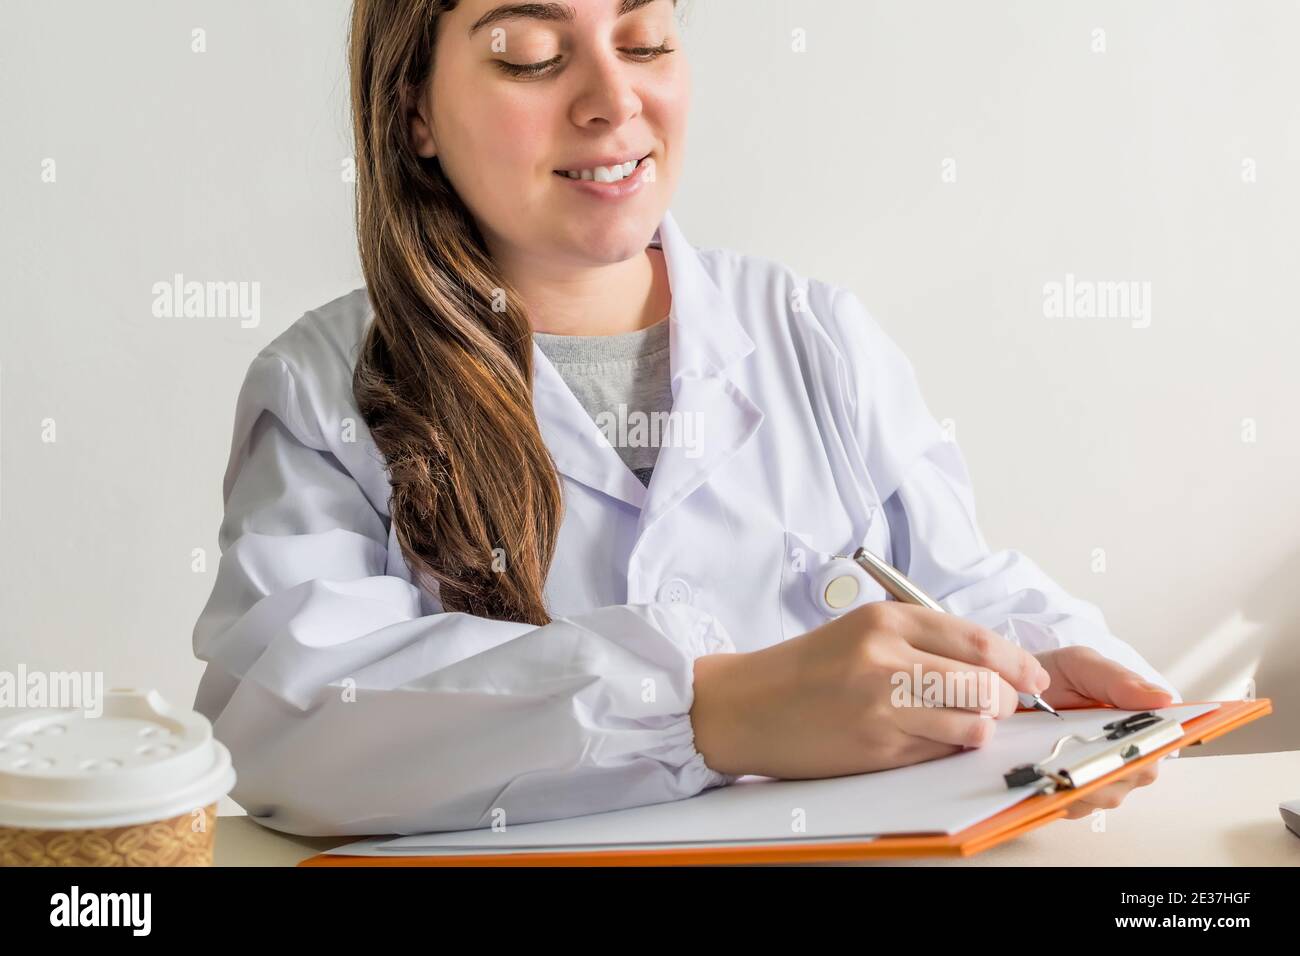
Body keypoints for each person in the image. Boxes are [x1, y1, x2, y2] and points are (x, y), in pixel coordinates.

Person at [192, 0, 1178, 837]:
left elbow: (955, 578)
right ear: (412, 109)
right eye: (530, 54)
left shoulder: (811, 331)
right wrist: (710, 710)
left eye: (644, 39)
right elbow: (290, 727)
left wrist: (1045, 666)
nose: (611, 103)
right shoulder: (322, 388)